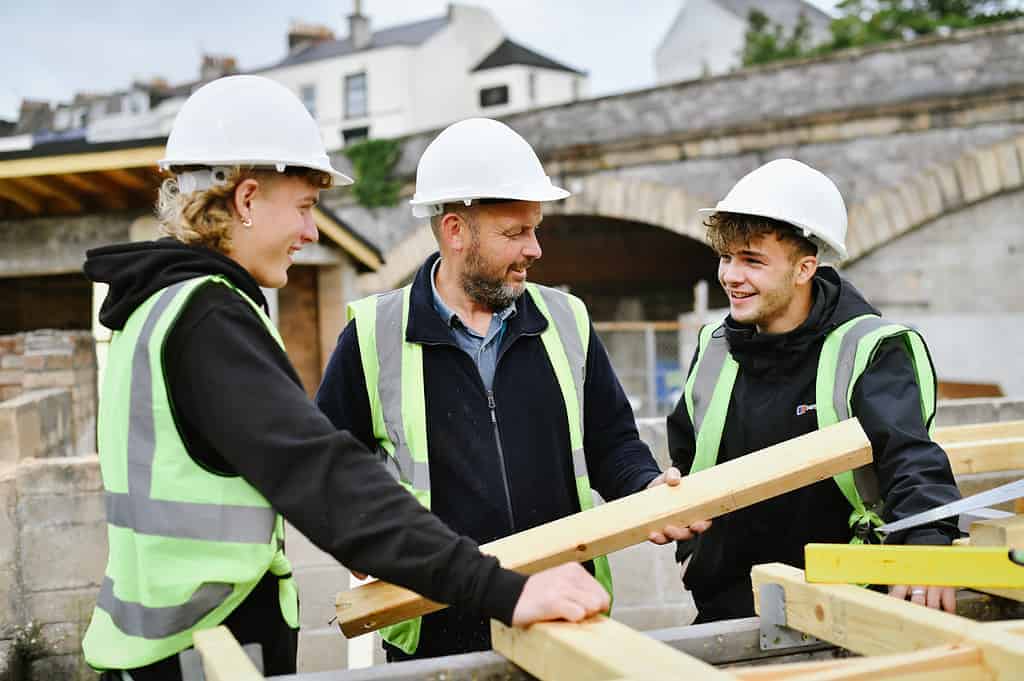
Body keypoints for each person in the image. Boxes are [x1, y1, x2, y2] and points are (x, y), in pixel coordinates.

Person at [80, 77, 612, 681]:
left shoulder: (156, 307)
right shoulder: (208, 319)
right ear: (247, 200)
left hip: (168, 647)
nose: (311, 232)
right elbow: (325, 476)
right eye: (305, 208)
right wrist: (504, 591)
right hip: (200, 652)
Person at [316, 117, 709, 661]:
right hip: (434, 627)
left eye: (535, 228)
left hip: (563, 614)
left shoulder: (567, 320)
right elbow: (332, 468)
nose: (536, 248)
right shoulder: (373, 335)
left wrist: (646, 489)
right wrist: (357, 535)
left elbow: (612, 442)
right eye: (515, 233)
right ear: (455, 231)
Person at [667, 158, 962, 624]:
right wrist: (692, 547)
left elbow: (909, 457)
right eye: (727, 257)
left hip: (845, 604)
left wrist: (927, 543)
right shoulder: (715, 347)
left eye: (752, 261)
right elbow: (688, 456)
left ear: (805, 268)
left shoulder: (868, 348)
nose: (731, 276)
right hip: (729, 603)